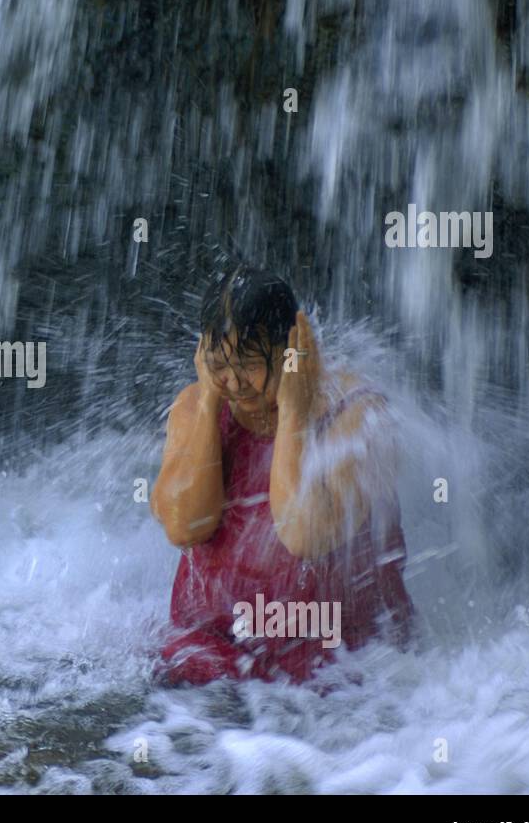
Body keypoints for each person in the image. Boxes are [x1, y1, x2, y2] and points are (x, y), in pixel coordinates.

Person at [150, 261, 414, 685]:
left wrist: (293, 412)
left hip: (341, 663)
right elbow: (185, 526)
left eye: (250, 363)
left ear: (292, 348)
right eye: (219, 364)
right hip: (215, 651)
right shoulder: (197, 407)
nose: (234, 383)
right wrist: (206, 406)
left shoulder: (358, 415)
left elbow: (305, 534)